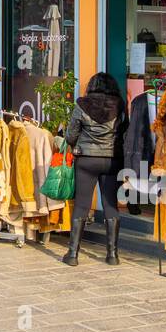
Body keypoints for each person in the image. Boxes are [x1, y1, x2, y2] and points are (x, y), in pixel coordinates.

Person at [62, 72, 129, 267]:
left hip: (86, 159)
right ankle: (112, 255)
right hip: (111, 159)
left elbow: (70, 135)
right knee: (110, 205)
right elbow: (126, 130)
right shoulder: (120, 105)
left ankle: (73, 254)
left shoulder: (82, 104)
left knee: (82, 205)